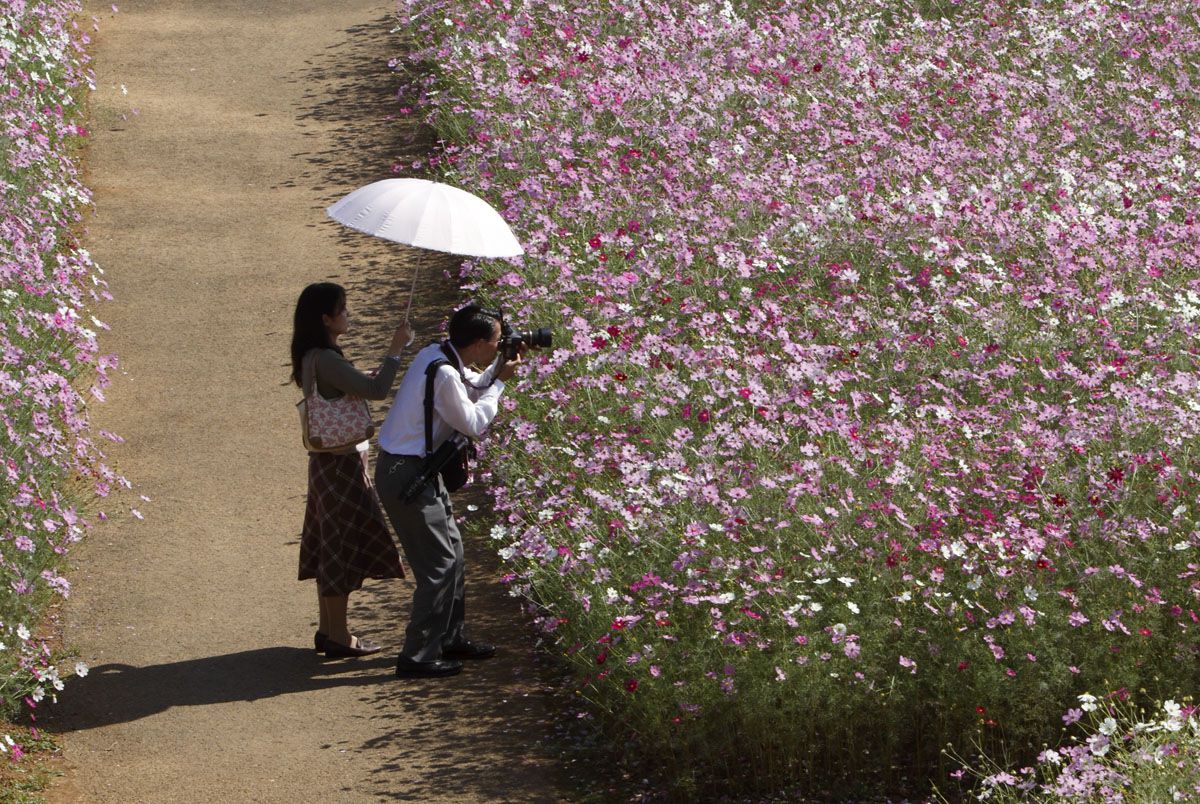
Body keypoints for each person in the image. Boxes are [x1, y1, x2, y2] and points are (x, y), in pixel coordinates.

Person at [375, 304, 521, 678]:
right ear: (475, 344)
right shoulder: (443, 373)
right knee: (438, 564)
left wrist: (495, 369)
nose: (499, 346)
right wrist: (500, 382)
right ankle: (418, 656)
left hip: (417, 470)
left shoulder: (436, 353)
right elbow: (472, 422)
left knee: (454, 553)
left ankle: (448, 636)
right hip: (406, 475)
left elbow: (469, 387)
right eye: (496, 342)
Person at [291, 282, 411, 658]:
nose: (348, 315)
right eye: (343, 310)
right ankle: (340, 636)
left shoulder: (312, 356)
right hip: (340, 465)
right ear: (326, 318)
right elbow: (377, 391)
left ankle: (329, 630)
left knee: (330, 545)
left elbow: (353, 387)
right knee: (339, 546)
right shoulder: (327, 360)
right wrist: (396, 349)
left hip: (324, 464)